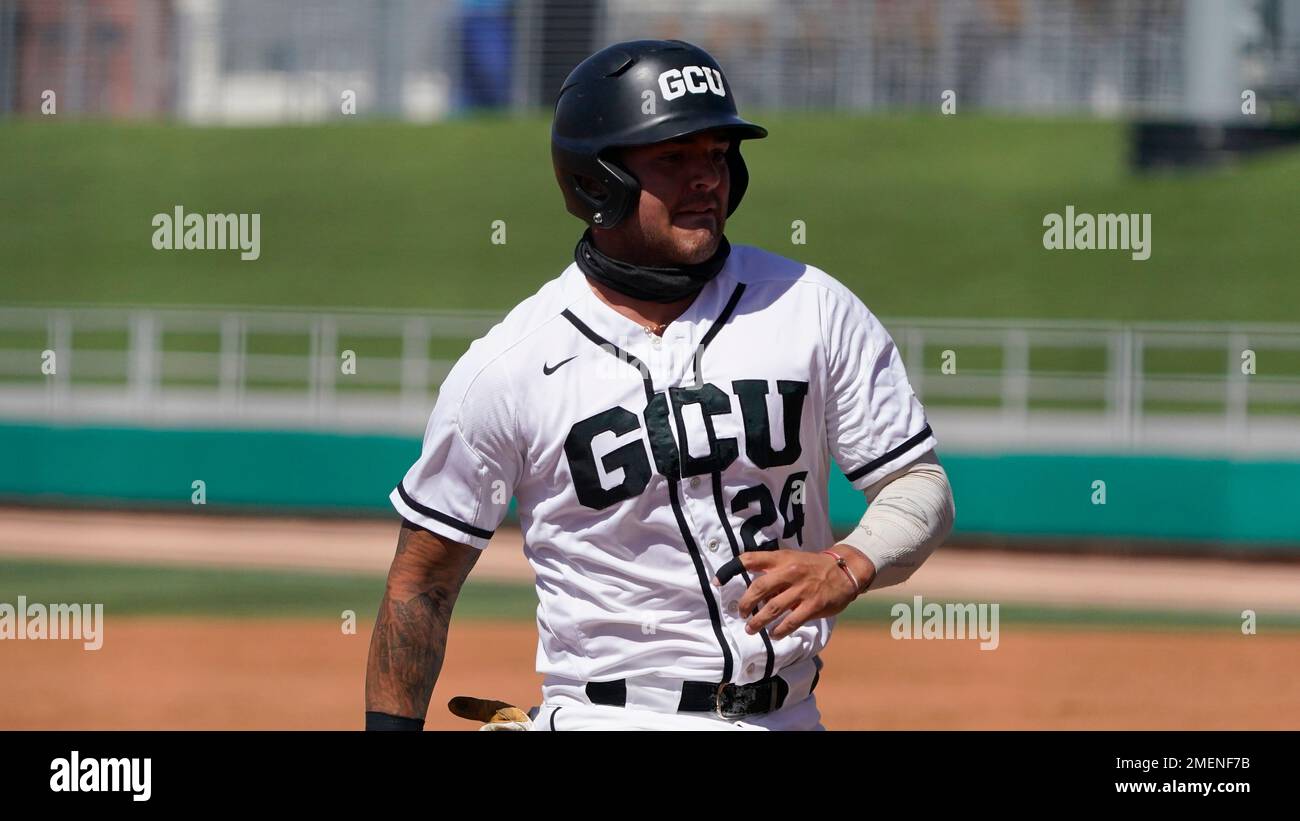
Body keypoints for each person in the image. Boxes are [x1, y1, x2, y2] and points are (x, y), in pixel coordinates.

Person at [365, 39, 955, 731]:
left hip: (790, 716)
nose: (705, 177)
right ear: (596, 182)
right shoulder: (513, 365)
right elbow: (422, 584)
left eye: (716, 155)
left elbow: (920, 487)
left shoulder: (810, 308)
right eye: (672, 158)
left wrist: (849, 562)